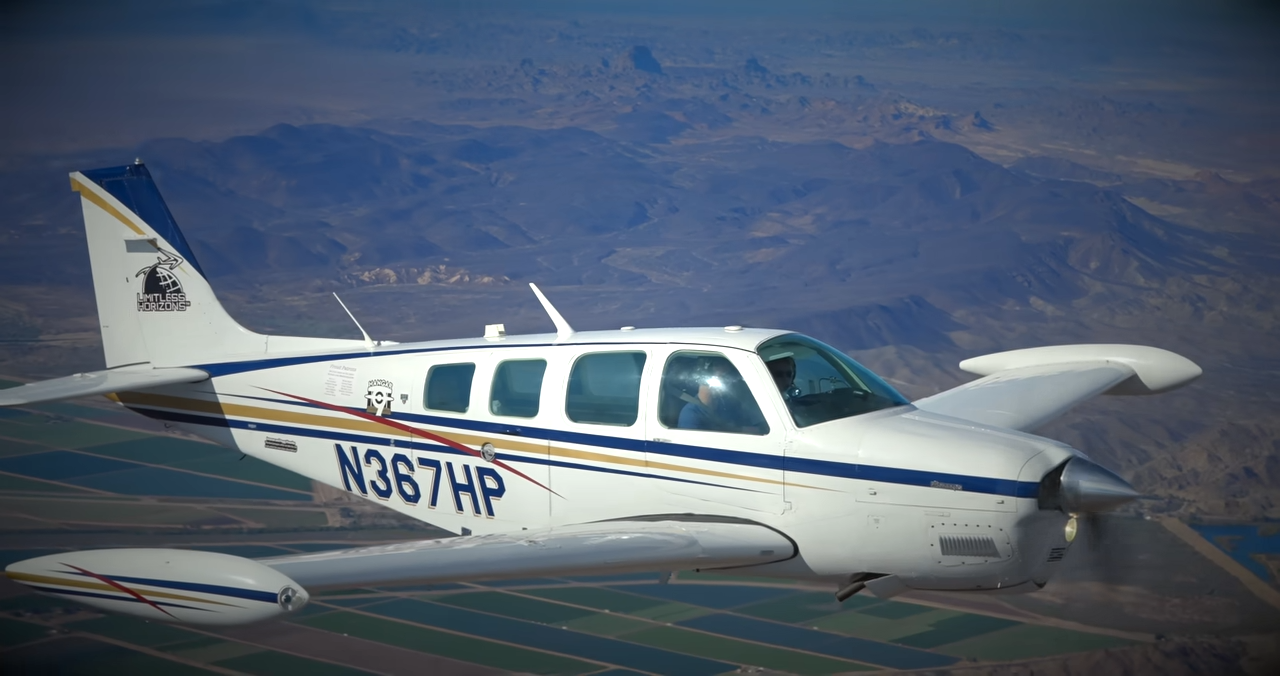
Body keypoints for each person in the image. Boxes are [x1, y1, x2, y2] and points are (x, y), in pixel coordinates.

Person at [676, 358, 763, 433]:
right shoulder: (690, 415)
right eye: (721, 379)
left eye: (726, 378)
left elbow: (752, 429)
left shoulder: (727, 404)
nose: (727, 383)